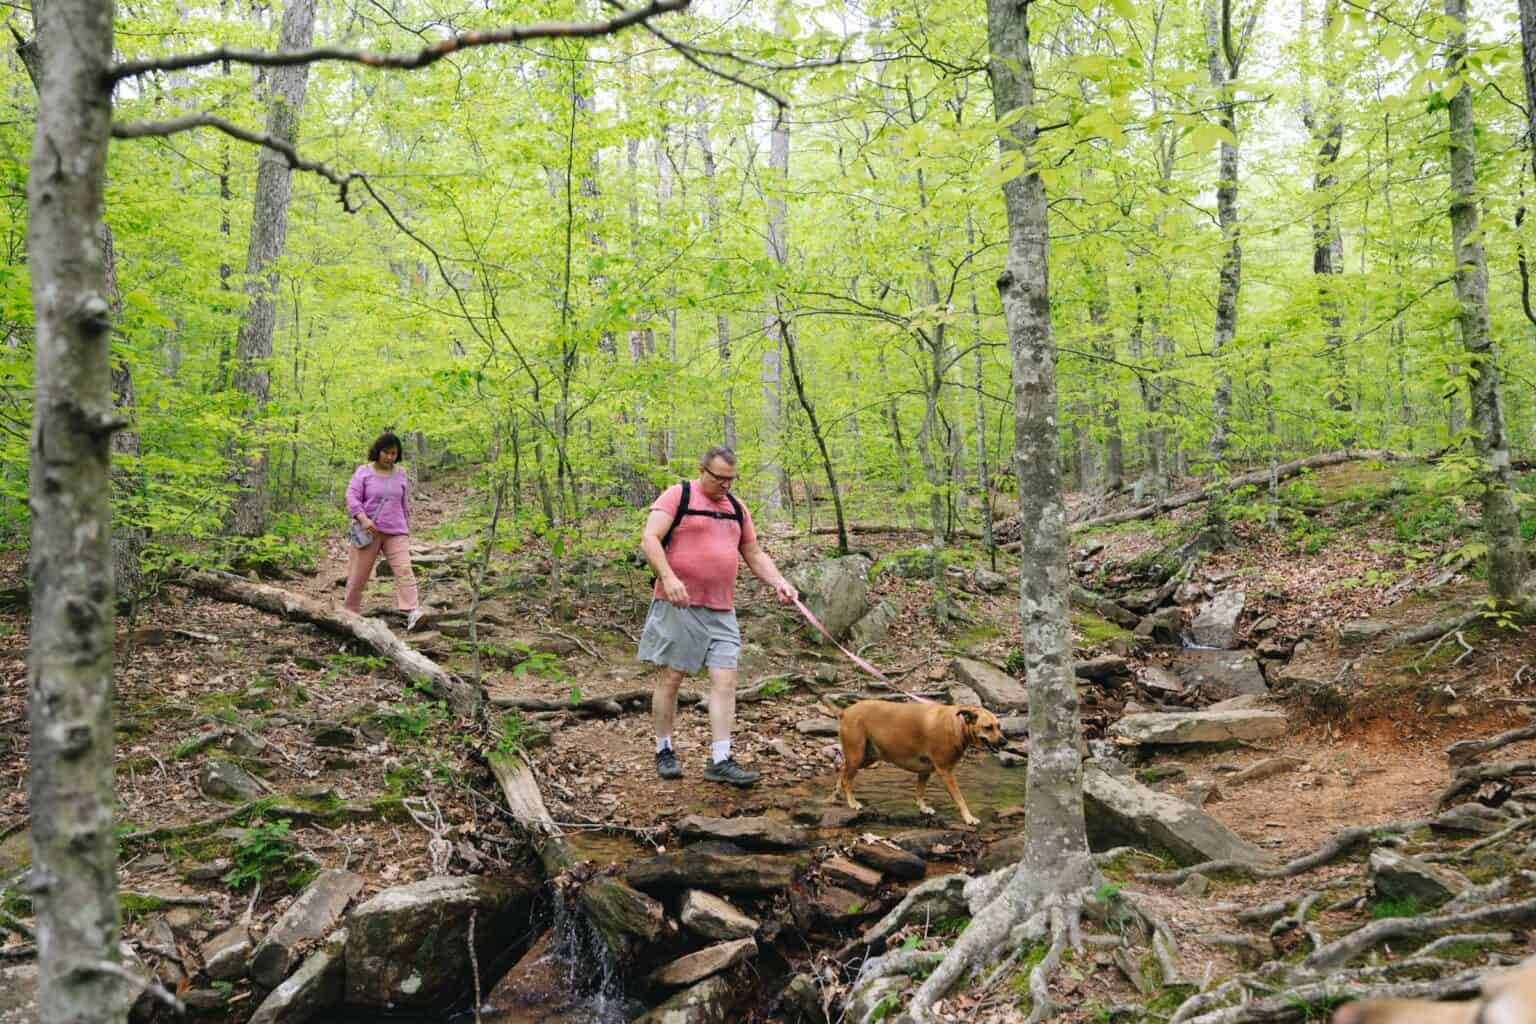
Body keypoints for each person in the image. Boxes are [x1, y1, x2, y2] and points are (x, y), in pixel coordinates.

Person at [639, 446, 798, 787]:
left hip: (721, 609)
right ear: (703, 471)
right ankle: (664, 749)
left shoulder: (737, 508)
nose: (725, 485)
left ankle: (720, 759)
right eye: (719, 478)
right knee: (672, 678)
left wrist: (779, 582)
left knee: (726, 680)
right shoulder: (677, 495)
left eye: (731, 479)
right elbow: (650, 539)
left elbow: (753, 552)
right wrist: (668, 577)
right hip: (678, 605)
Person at [344, 431, 423, 631]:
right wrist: (362, 518)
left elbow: (403, 502)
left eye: (394, 453)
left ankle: (411, 611)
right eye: (386, 452)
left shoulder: (401, 473)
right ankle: (349, 614)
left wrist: (407, 525)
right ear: (377, 451)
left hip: (396, 530)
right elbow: (352, 497)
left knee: (405, 570)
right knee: (358, 577)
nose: (390, 457)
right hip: (368, 531)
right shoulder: (363, 471)